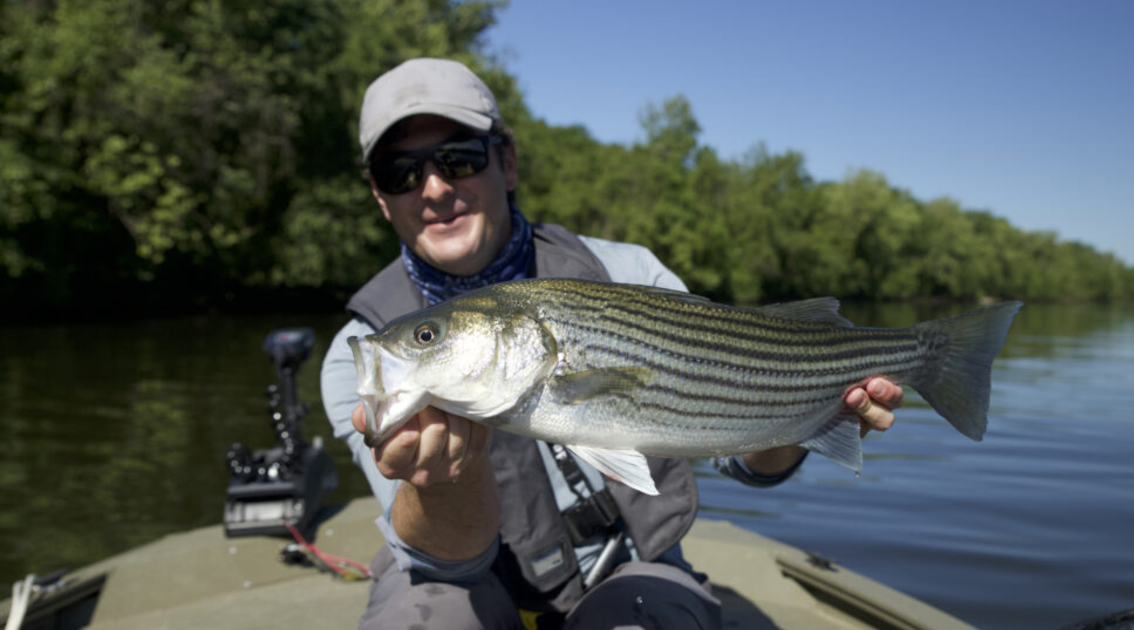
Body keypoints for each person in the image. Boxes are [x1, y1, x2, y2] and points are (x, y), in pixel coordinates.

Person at [320, 58, 905, 630]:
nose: (436, 188)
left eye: (460, 158)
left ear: (508, 161)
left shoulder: (627, 271)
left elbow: (741, 460)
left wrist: (808, 411)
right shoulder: (366, 353)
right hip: (464, 584)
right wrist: (439, 480)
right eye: (402, 172)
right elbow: (449, 560)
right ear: (379, 195)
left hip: (635, 568)